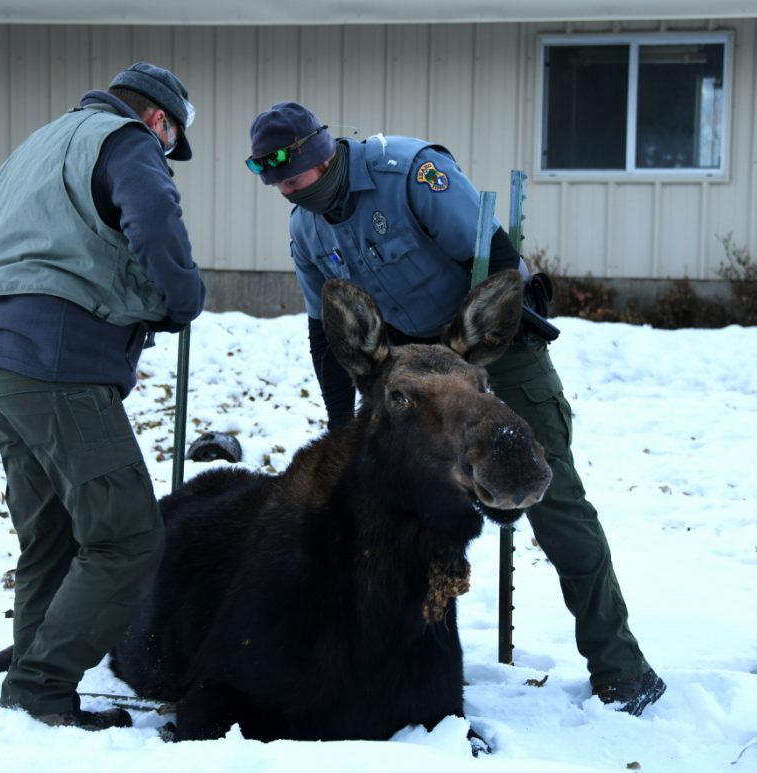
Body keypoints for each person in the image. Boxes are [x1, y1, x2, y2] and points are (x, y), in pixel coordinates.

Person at [245, 101, 666, 717]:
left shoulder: (408, 174)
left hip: (490, 347)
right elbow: (324, 335)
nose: (280, 183)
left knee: (551, 502)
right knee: (391, 512)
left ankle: (621, 669)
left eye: (287, 168)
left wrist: (479, 352)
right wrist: (347, 427)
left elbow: (497, 258)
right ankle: (391, 664)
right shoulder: (307, 230)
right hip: (411, 375)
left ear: (320, 152)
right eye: (265, 173)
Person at [0, 62, 206, 731]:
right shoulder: (126, 142)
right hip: (61, 368)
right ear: (158, 120)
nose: (166, 152)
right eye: (170, 141)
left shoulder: (34, 148)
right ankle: (40, 688)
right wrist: (181, 299)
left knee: (51, 538)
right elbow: (153, 221)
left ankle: (31, 695)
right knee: (126, 537)